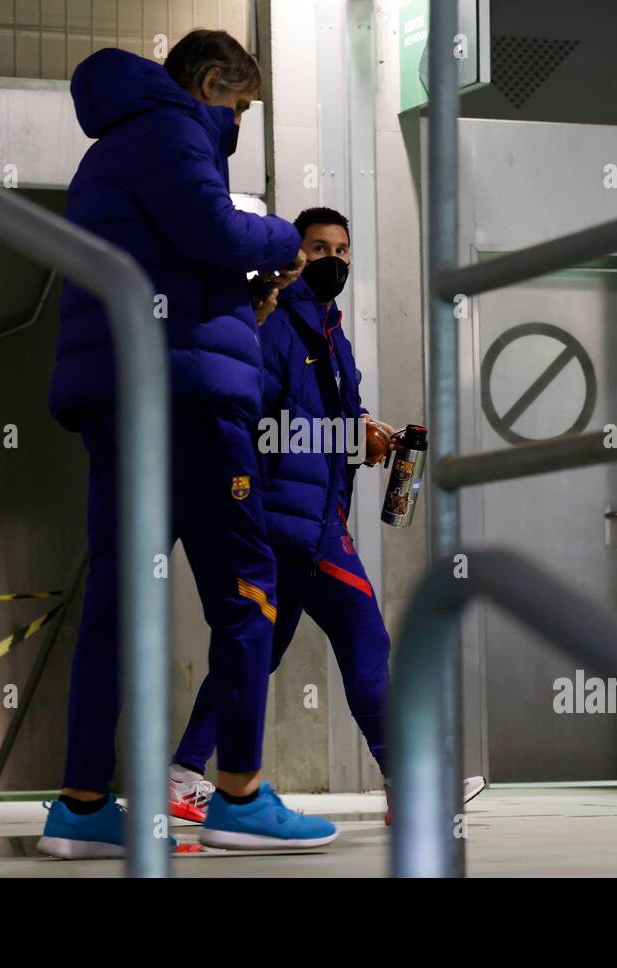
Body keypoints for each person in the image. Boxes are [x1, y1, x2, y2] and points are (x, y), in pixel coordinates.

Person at [40, 31, 337, 858]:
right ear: (211, 84)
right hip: (188, 405)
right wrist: (288, 243)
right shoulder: (172, 130)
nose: (237, 126)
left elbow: (173, 259)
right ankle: (239, 792)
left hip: (127, 396)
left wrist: (242, 308)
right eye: (239, 109)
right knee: (247, 593)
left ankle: (84, 804)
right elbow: (214, 230)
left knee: (118, 599)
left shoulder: (112, 150)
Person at [165, 206, 487, 825]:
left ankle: (182, 773)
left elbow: (329, 425)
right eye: (318, 249)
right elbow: (253, 422)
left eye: (342, 250)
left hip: (310, 512)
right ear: (293, 256)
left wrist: (363, 435)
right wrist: (336, 437)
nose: (332, 260)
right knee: (365, 635)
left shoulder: (332, 335)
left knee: (253, 652)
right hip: (290, 521)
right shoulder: (273, 327)